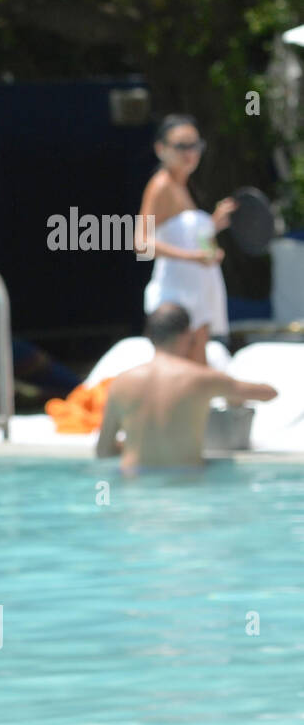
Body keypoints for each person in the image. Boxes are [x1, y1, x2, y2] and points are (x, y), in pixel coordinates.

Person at [95, 303, 276, 473]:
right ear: (188, 335)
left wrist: (142, 445)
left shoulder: (121, 382)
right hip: (185, 481)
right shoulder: (201, 378)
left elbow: (103, 450)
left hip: (134, 480)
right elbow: (269, 394)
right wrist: (236, 398)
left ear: (149, 335)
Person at [137, 114, 237, 366]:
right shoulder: (161, 185)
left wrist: (212, 227)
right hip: (176, 299)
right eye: (181, 146)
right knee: (178, 377)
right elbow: (141, 242)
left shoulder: (184, 186)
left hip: (196, 296)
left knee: (196, 377)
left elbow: (186, 237)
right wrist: (194, 257)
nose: (190, 152)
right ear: (161, 149)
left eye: (195, 145)